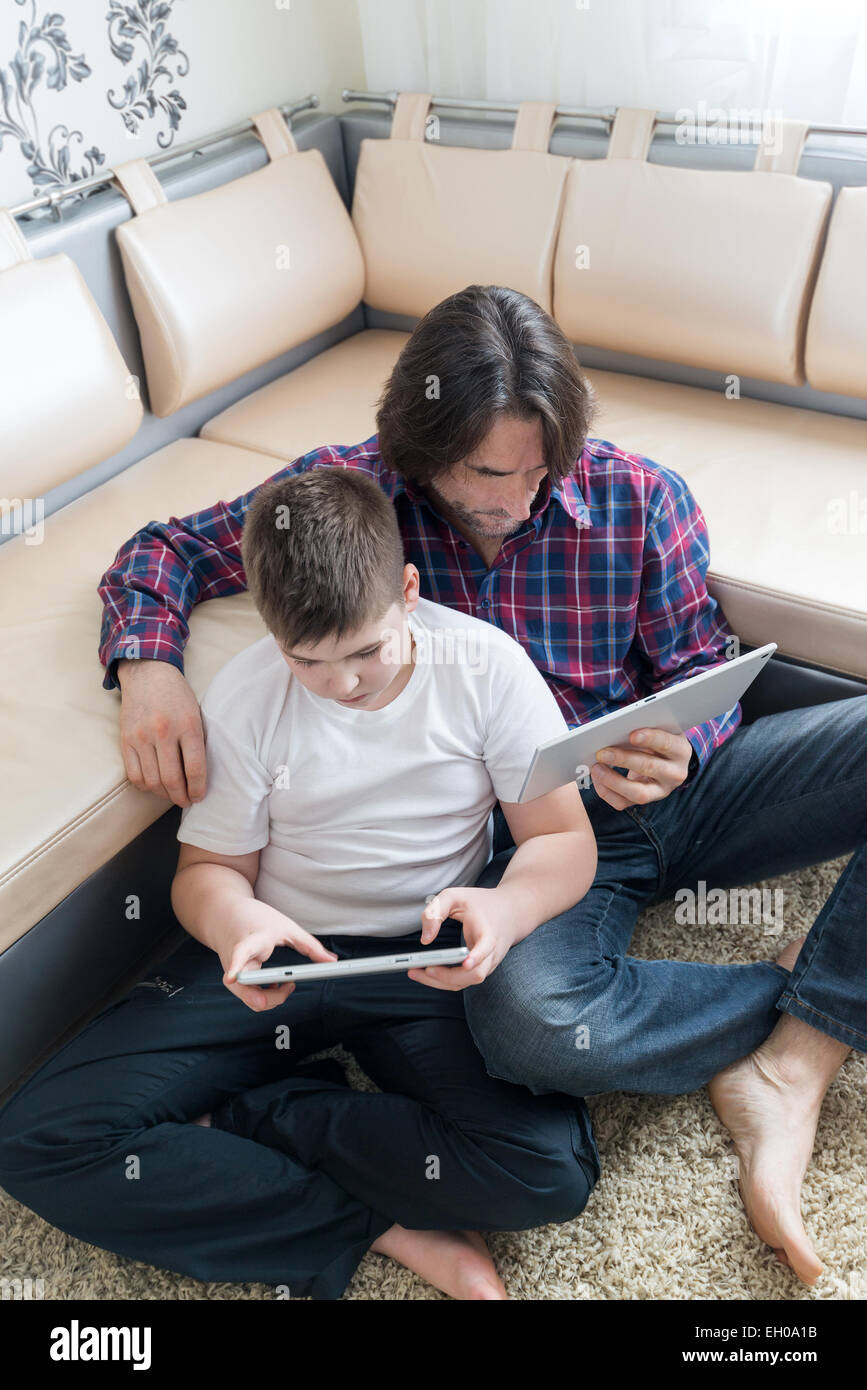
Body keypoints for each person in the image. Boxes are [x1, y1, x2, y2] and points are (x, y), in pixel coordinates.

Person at [8, 283, 866, 1288]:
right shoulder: (355, 498)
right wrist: (148, 667)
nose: (521, 498)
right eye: (491, 472)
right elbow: (166, 552)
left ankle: (801, 1047)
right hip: (518, 833)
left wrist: (691, 734)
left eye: (544, 468)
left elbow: (696, 661)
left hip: (671, 792)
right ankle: (779, 1009)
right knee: (539, 1024)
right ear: (419, 448)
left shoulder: (641, 497)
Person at [0, 466, 599, 1300]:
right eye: (310, 662)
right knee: (40, 1140)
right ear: (276, 637)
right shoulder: (249, 695)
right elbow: (206, 873)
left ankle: (257, 1117)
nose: (344, 684)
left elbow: (562, 839)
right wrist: (236, 927)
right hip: (279, 954)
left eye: (365, 650)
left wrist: (506, 905)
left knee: (546, 1174)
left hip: (419, 957)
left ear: (408, 590)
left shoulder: (489, 670)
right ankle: (379, 1227)